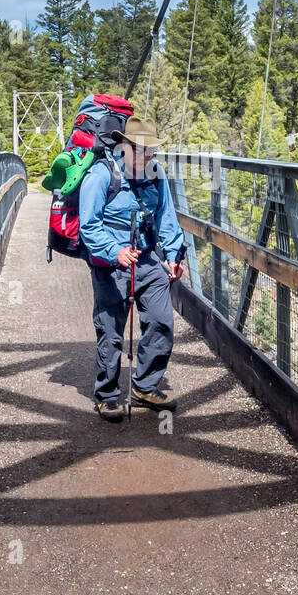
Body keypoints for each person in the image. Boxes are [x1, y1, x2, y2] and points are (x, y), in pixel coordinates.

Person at [77, 115, 185, 422]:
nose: (147, 157)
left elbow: (165, 216)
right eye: (141, 151)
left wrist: (175, 254)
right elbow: (89, 224)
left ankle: (145, 386)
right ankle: (108, 394)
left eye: (151, 151)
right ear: (123, 146)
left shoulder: (155, 173)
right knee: (111, 332)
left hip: (147, 259)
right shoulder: (101, 175)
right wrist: (114, 251)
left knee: (162, 321)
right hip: (112, 262)